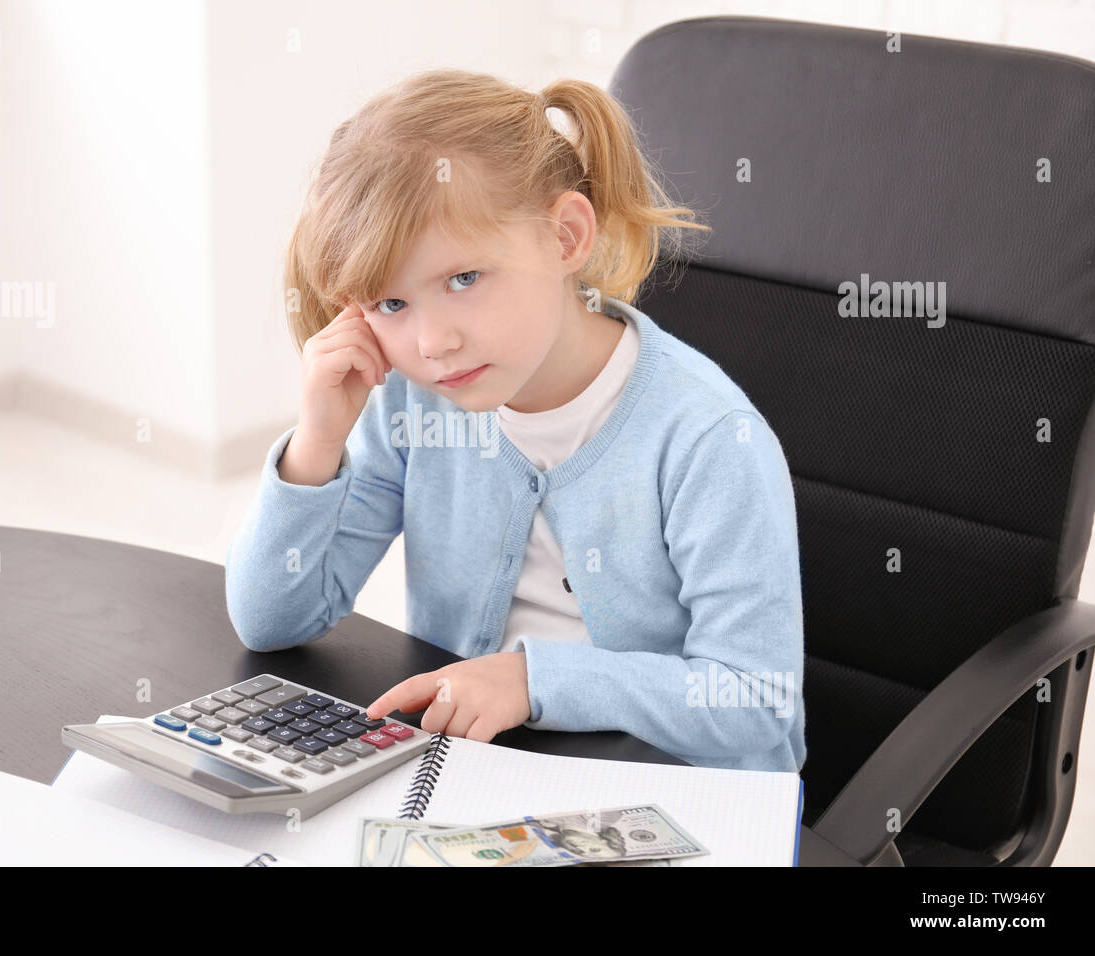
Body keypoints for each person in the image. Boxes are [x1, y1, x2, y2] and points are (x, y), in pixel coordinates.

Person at [226, 69, 806, 773]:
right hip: (493, 772)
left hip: (684, 796)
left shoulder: (708, 438)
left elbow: (754, 699)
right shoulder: (417, 402)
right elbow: (270, 621)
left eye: (463, 280)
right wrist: (317, 442)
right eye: (390, 305)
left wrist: (535, 681)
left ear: (565, 237)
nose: (433, 344)